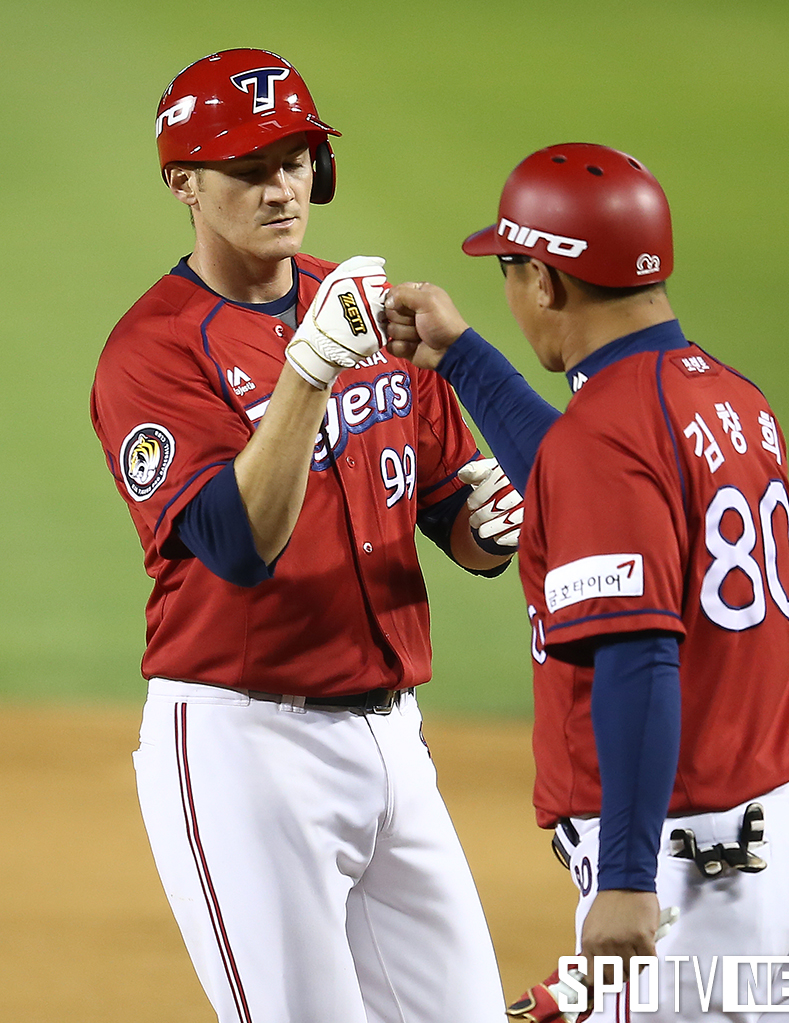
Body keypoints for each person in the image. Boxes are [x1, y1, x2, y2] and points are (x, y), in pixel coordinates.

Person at [90, 48, 521, 1023]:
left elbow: (457, 513)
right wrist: (308, 373)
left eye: (295, 159)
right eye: (249, 167)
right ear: (185, 184)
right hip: (247, 747)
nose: (281, 187)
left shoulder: (358, 307)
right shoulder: (152, 352)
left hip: (396, 743)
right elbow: (239, 546)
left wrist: (501, 523)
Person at [384, 143, 789, 1021]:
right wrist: (462, 357)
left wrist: (630, 880)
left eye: (512, 272)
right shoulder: (727, 396)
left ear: (548, 283)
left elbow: (638, 655)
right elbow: (578, 475)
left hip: (690, 873)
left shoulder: (608, 435)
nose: (512, 296)